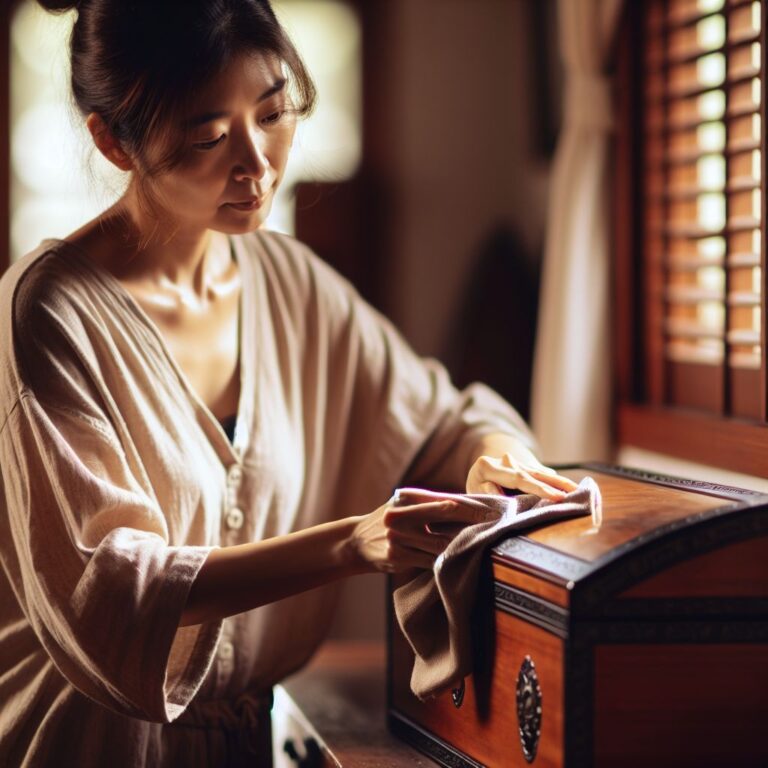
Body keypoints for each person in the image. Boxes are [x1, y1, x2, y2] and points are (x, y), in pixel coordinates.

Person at [0, 1, 579, 765]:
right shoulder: (50, 314)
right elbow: (113, 594)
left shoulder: (292, 286)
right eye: (208, 136)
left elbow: (444, 421)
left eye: (273, 112)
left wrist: (492, 458)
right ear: (115, 142)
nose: (258, 163)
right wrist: (351, 545)